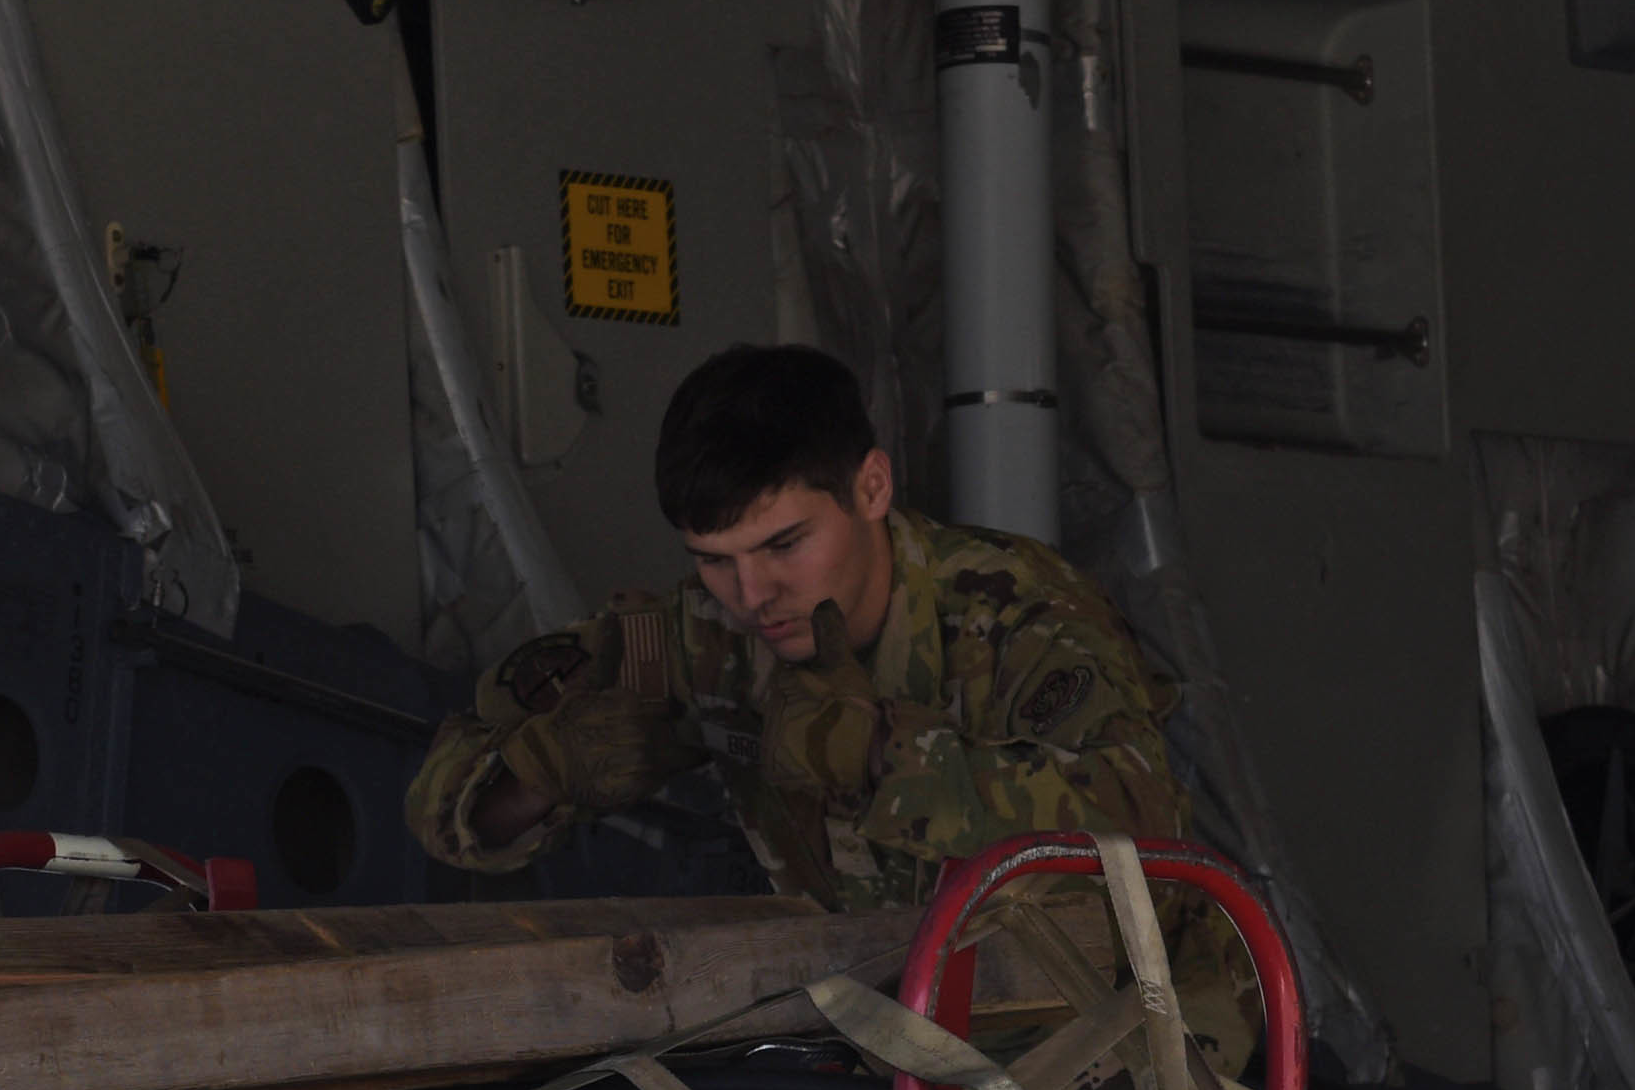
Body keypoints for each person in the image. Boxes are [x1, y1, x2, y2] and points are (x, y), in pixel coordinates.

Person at [407, 343, 1198, 922]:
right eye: (714, 561)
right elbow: (442, 799)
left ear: (872, 488)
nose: (753, 594)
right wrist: (539, 773)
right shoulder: (699, 636)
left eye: (784, 545)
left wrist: (886, 755)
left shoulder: (1016, 612)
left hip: (1116, 1060)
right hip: (895, 1048)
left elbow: (1145, 832)